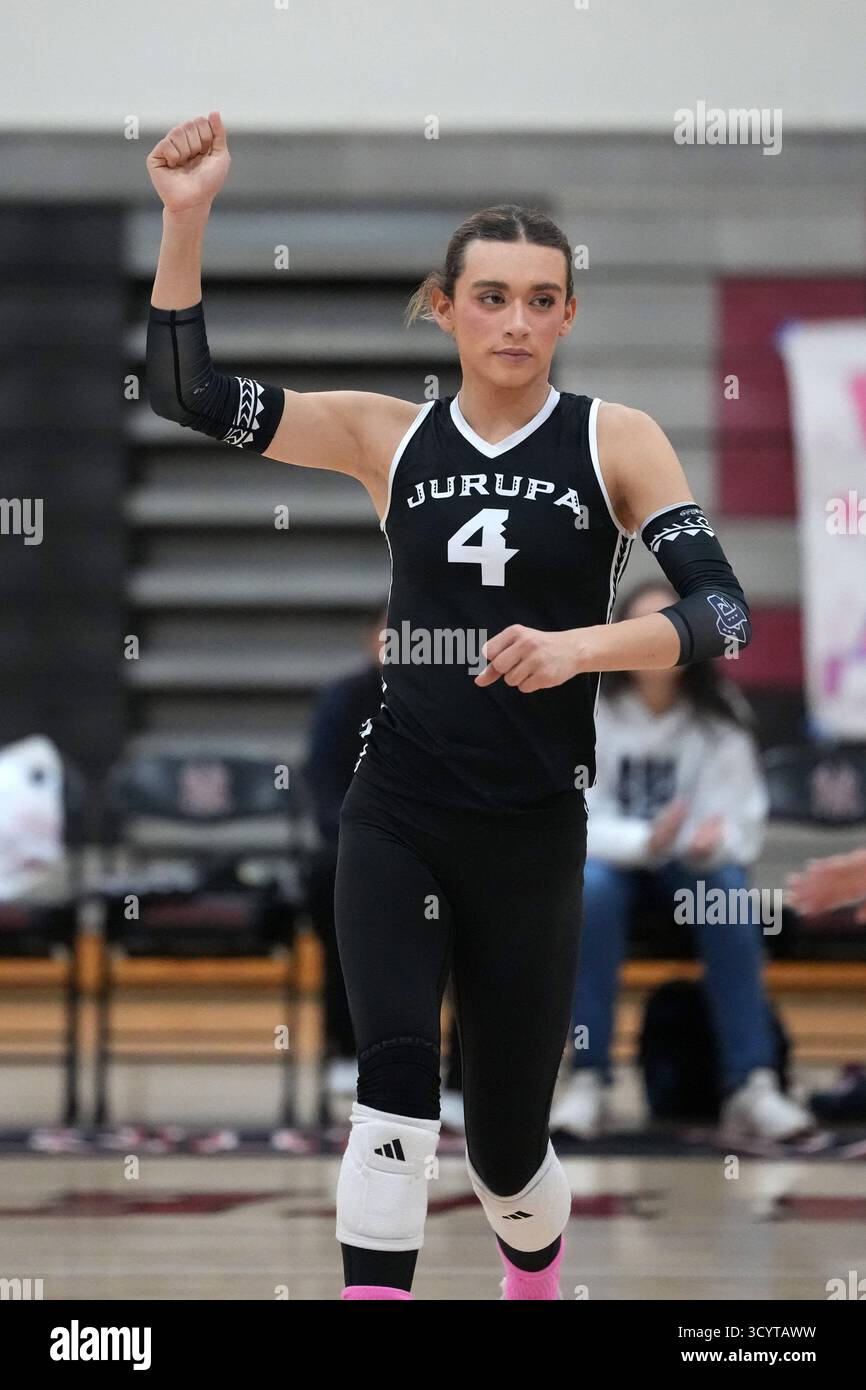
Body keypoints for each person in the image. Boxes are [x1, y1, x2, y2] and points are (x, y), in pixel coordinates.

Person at [144, 112, 754, 1300]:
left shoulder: (612, 441)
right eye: (490, 297)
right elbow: (187, 391)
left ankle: (532, 1277)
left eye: (539, 298)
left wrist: (581, 645)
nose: (515, 321)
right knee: (391, 1092)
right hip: (399, 808)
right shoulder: (389, 434)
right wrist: (186, 216)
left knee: (506, 1152)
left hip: (532, 834)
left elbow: (722, 615)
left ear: (568, 313)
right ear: (445, 306)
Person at [551, 581, 815, 1143]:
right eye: (640, 630)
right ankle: (589, 1079)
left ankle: (753, 1083)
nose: (652, 645)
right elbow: (574, 818)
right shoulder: (589, 707)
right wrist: (648, 840)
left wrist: (707, 842)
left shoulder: (720, 715)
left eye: (666, 629)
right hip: (615, 863)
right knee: (590, 892)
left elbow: (741, 821)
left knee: (728, 893)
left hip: (690, 868)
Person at [302, 608, 385, 1113]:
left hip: (439, 844)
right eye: (388, 631)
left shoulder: (457, 697)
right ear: (371, 637)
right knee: (329, 879)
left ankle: (463, 1073)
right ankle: (345, 1043)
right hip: (360, 844)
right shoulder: (344, 698)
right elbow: (323, 791)